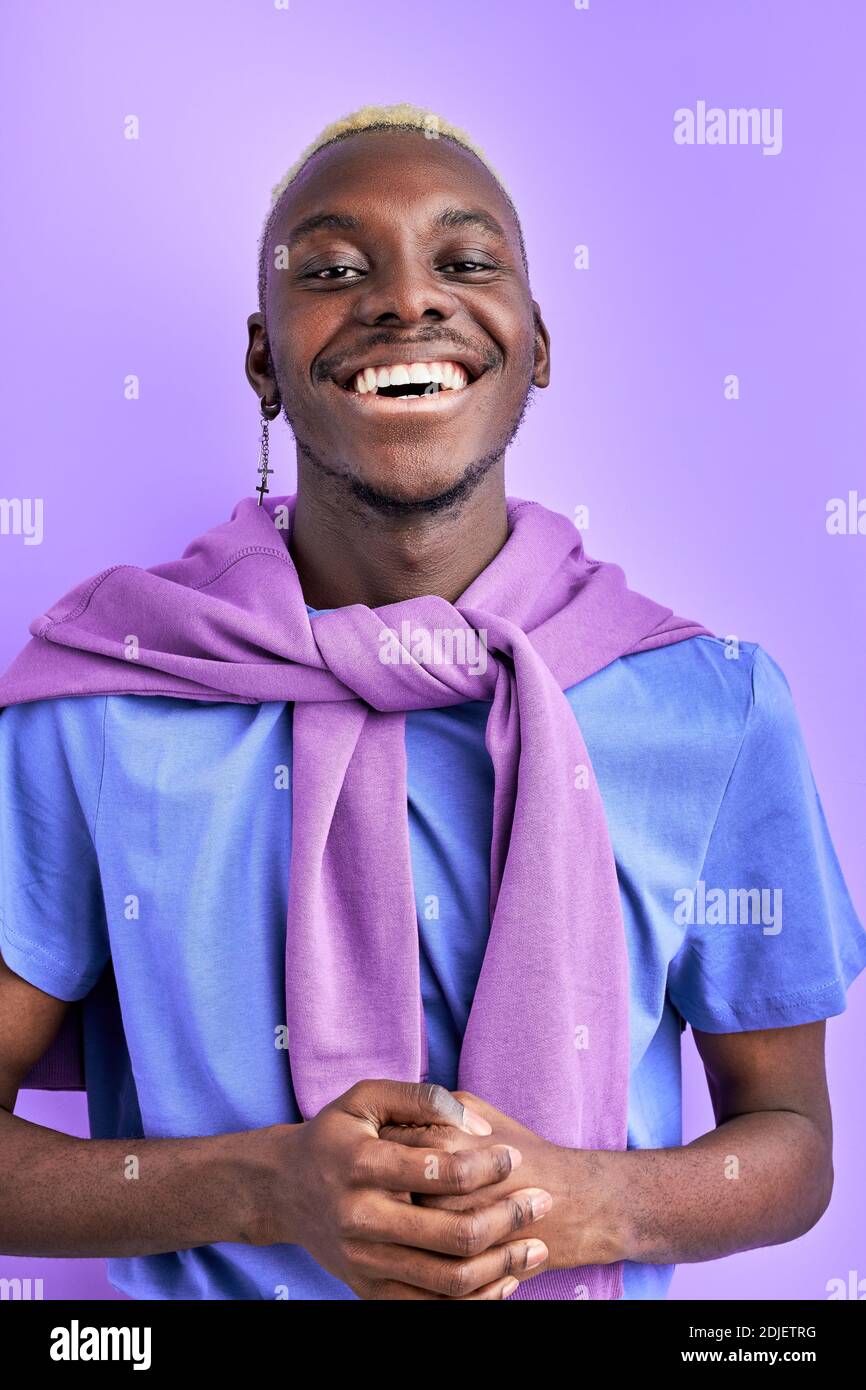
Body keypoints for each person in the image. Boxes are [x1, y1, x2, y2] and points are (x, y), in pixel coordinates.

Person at [0, 103, 864, 1303]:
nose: (407, 302)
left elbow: (792, 1143)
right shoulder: (96, 701)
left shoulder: (704, 707)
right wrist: (265, 1186)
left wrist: (581, 1202)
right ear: (262, 359)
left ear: (535, 343)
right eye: (334, 270)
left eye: (464, 262)